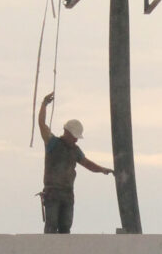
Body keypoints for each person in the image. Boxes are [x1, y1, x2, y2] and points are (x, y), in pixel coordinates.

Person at [37, 93, 112, 233]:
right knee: (51, 226)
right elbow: (42, 124)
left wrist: (102, 169)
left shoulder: (75, 151)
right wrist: (44, 104)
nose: (76, 140)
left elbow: (87, 163)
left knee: (65, 227)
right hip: (52, 192)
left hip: (67, 194)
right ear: (66, 132)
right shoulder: (53, 143)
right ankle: (50, 247)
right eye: (74, 137)